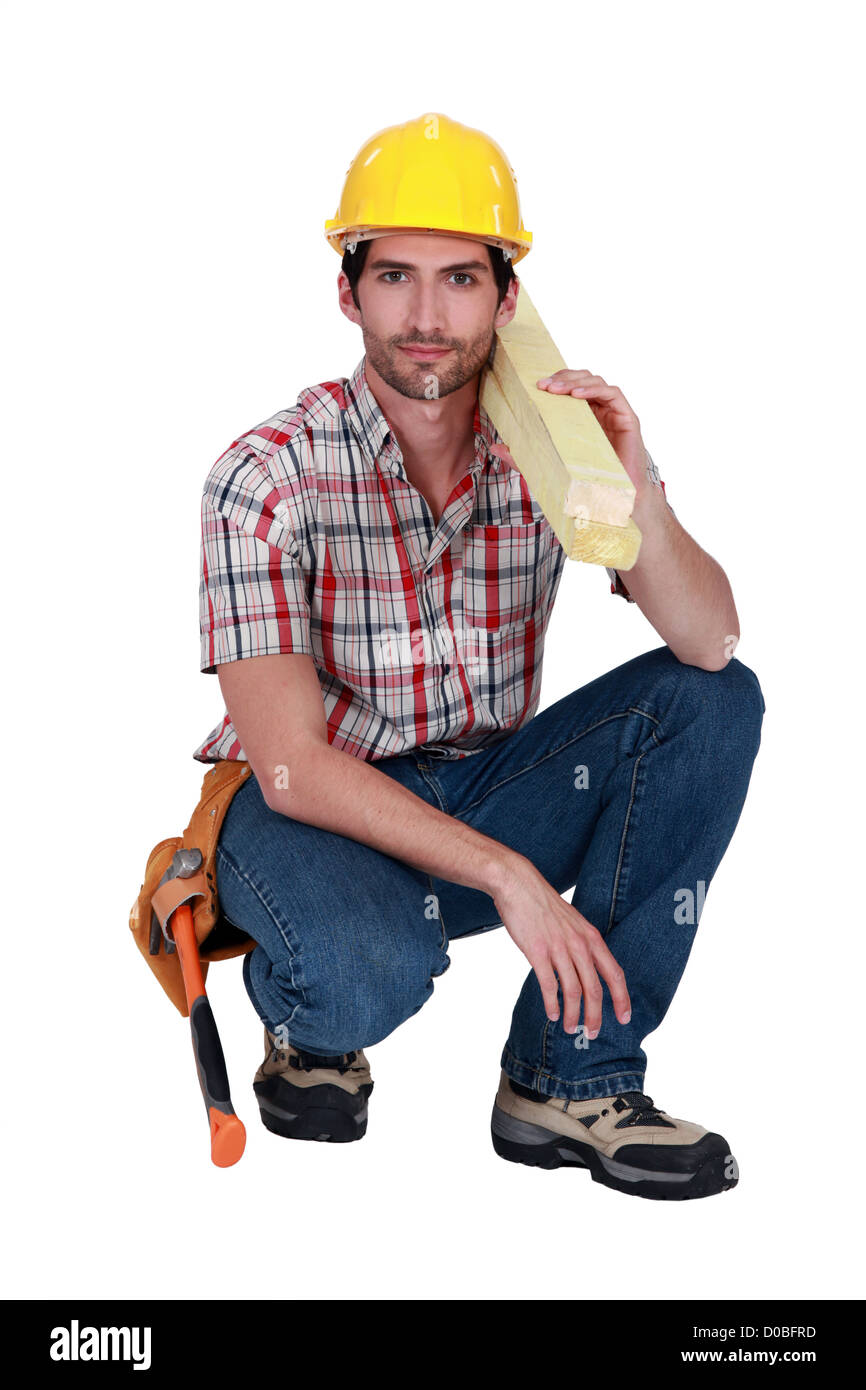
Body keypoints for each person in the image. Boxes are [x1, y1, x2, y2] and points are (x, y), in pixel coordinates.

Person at [193, 112, 765, 1200]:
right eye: (395, 277)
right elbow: (288, 766)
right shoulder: (263, 474)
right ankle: (313, 1014)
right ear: (346, 291)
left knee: (714, 701)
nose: (423, 316)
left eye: (459, 279)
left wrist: (629, 485)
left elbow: (710, 639)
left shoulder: (551, 452)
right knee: (365, 975)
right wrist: (507, 875)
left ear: (508, 302)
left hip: (487, 785)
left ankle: (567, 1076)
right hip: (311, 807)